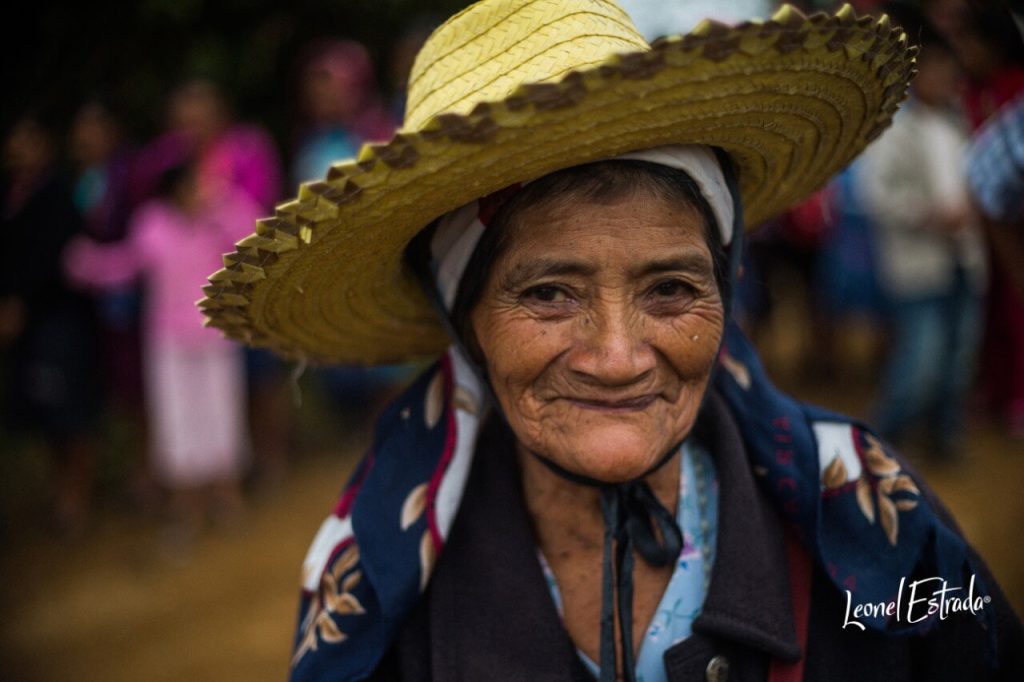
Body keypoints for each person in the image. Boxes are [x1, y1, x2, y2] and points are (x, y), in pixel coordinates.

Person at [199, 1, 1023, 680]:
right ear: (468, 322)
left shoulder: (876, 520)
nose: (620, 358)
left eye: (671, 288)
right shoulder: (377, 595)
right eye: (549, 294)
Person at [65, 159, 259, 543]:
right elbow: (124, 265)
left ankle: (227, 498)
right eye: (193, 184)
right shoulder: (151, 223)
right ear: (175, 189)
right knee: (177, 422)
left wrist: (221, 202)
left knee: (222, 414)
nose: (199, 190)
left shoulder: (217, 217)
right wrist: (86, 263)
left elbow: (253, 233)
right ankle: (186, 508)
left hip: (216, 332)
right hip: (169, 341)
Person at [855, 11, 988, 460]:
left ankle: (944, 441)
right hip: (918, 264)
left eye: (948, 72)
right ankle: (881, 443)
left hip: (963, 259)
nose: (943, 79)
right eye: (933, 71)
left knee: (957, 361)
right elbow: (875, 195)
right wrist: (928, 215)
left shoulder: (958, 122)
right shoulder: (894, 127)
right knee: (921, 362)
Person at [1, 111, 101, 536]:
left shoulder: (58, 194)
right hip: (28, 325)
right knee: (43, 412)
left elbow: (59, 257)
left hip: (59, 321)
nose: (19, 151)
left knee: (68, 410)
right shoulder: (12, 196)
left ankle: (77, 494)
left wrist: (20, 299)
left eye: (28, 141)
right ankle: (61, 490)